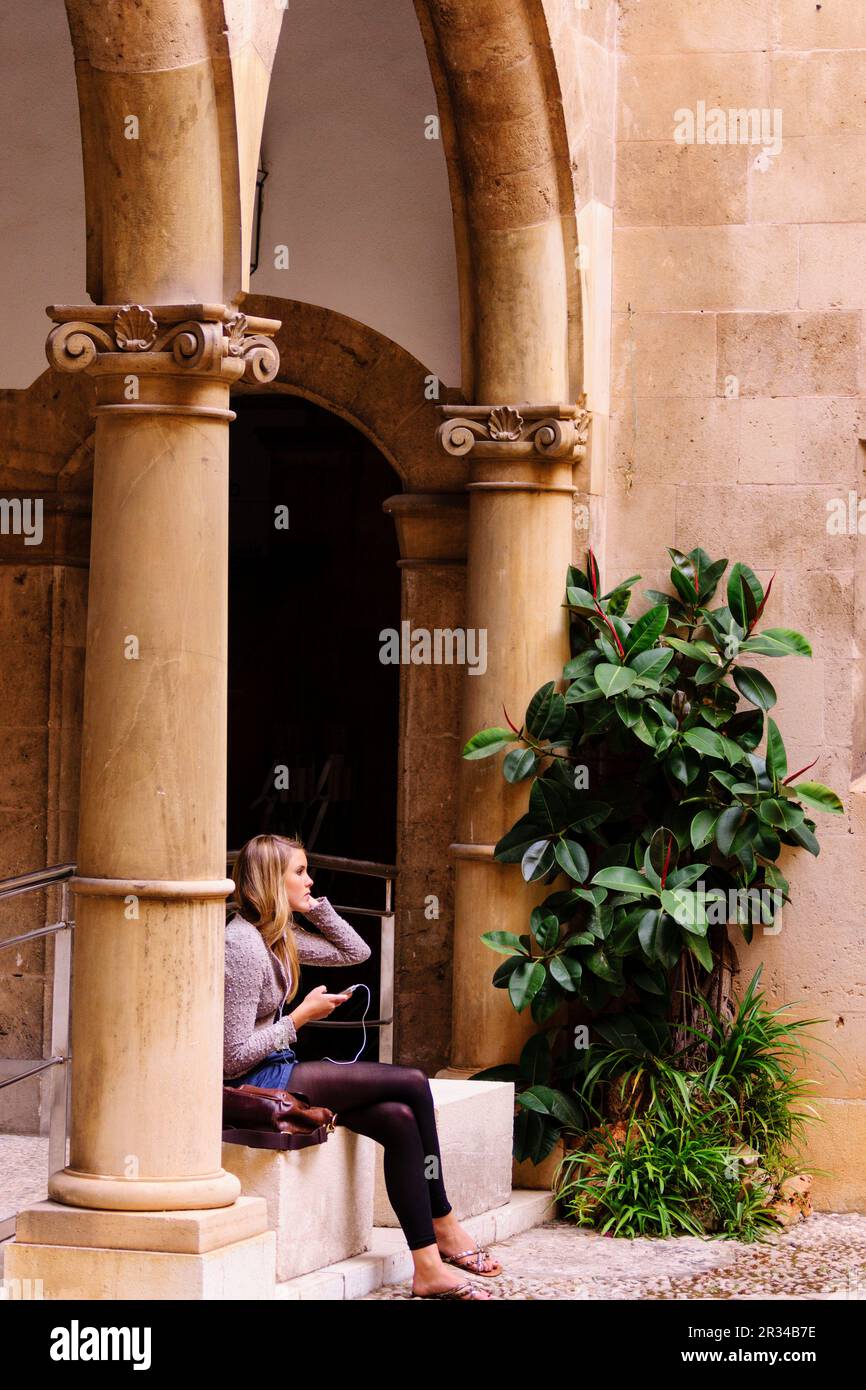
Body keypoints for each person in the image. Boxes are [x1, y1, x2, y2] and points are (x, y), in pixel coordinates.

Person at [223, 832, 503, 1300]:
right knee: (413, 1081)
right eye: (299, 873)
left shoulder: (278, 936)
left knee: (400, 1120)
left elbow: (355, 952)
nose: (311, 880)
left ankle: (428, 1267)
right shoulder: (243, 946)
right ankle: (446, 1222)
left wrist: (314, 908)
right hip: (256, 1082)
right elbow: (230, 1058)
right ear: (272, 880)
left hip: (281, 1065)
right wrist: (299, 1019)